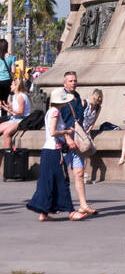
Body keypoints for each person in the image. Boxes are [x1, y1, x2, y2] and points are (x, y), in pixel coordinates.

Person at [26, 89, 84, 221]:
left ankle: (44, 212)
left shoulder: (50, 112)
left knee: (48, 181)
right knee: (62, 180)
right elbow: (53, 132)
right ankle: (70, 211)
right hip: (54, 151)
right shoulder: (56, 112)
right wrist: (67, 131)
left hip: (48, 151)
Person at [55, 70, 94, 216]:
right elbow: (58, 122)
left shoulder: (77, 96)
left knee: (79, 172)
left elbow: (79, 118)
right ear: (64, 83)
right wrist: (67, 138)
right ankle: (56, 203)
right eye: (70, 81)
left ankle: (83, 205)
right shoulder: (60, 98)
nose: (73, 83)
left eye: (75, 80)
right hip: (64, 142)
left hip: (77, 140)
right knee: (61, 173)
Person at [0, 78, 31, 153]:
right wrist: (5, 108)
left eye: (12, 84)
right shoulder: (15, 96)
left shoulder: (21, 96)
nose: (10, 86)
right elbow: (13, 113)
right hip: (14, 118)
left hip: (22, 120)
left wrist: (11, 109)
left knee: (7, 133)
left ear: (17, 86)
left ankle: (8, 154)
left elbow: (21, 112)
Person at [0, 40, 16, 107]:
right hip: (7, 80)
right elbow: (13, 71)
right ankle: (4, 116)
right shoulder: (11, 57)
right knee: (5, 100)